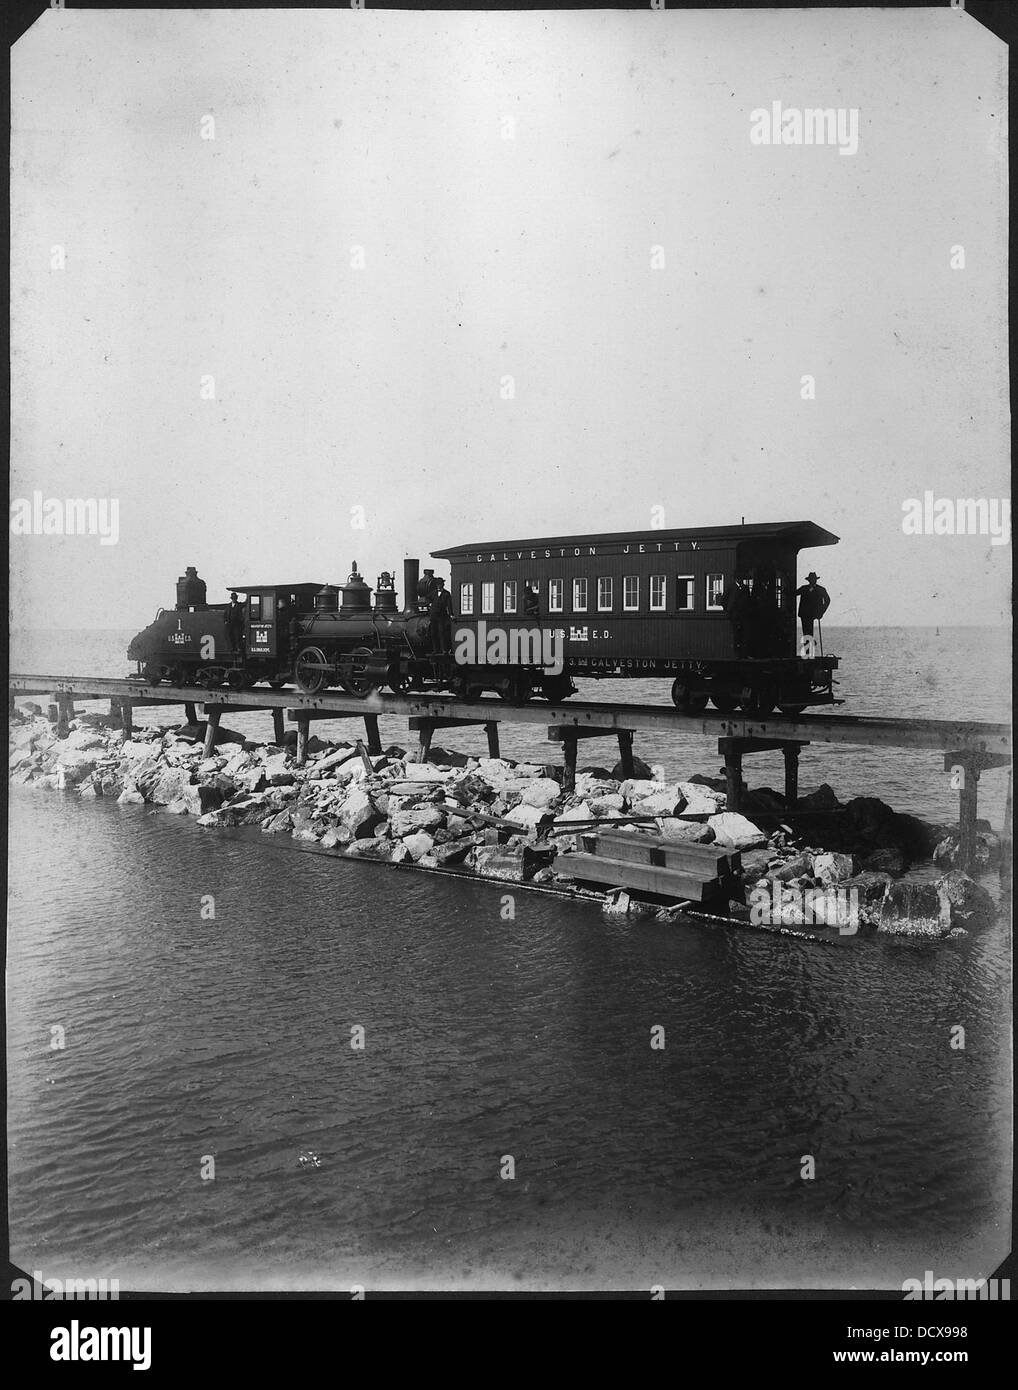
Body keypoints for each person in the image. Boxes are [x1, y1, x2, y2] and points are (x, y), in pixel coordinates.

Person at [722, 574, 753, 656]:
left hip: (744, 615)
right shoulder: (730, 587)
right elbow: (723, 600)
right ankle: (737, 654)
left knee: (745, 634)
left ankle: (744, 654)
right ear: (736, 579)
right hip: (735, 616)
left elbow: (749, 601)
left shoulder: (745, 588)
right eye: (739, 578)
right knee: (737, 635)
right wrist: (728, 610)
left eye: (742, 578)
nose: (741, 580)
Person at [796, 571, 831, 639]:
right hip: (805, 614)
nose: (812, 581)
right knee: (806, 633)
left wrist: (821, 611)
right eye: (811, 580)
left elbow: (827, 600)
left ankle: (810, 643)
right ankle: (809, 643)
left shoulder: (821, 589)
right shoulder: (804, 588)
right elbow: (794, 593)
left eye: (813, 580)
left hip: (812, 613)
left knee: (807, 633)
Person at [429, 576, 454, 655]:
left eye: (440, 585)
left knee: (442, 633)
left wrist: (451, 614)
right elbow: (427, 598)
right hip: (433, 616)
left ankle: (444, 650)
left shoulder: (446, 594)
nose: (439, 586)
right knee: (433, 633)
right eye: (437, 585)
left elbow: (449, 605)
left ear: (442, 585)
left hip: (441, 616)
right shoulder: (433, 593)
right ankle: (436, 650)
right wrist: (429, 603)